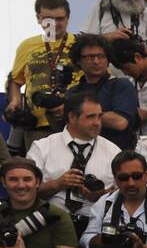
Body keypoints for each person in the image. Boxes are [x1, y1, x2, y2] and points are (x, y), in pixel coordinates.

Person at [28, 92, 119, 233]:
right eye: (90, 117)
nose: (97, 122)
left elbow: (124, 195)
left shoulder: (114, 152)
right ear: (72, 117)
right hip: (50, 224)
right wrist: (57, 184)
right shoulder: (42, 147)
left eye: (100, 116)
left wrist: (102, 197)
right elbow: (26, 191)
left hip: (95, 226)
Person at [6, 0, 80, 152]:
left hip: (74, 123)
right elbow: (15, 80)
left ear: (68, 18)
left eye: (60, 18)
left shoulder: (80, 44)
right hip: (37, 126)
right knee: (38, 172)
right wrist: (14, 101)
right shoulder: (26, 45)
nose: (54, 24)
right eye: (48, 19)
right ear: (38, 18)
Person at [0, 158, 78, 248]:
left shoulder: (56, 215)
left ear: (38, 182)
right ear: (3, 182)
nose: (21, 185)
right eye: (13, 179)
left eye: (27, 179)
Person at [69, 34, 140, 150]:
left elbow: (120, 122)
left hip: (117, 157)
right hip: (81, 155)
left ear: (108, 59)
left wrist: (78, 115)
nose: (96, 61)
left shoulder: (121, 85)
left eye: (101, 56)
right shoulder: (72, 92)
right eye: (90, 57)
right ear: (78, 61)